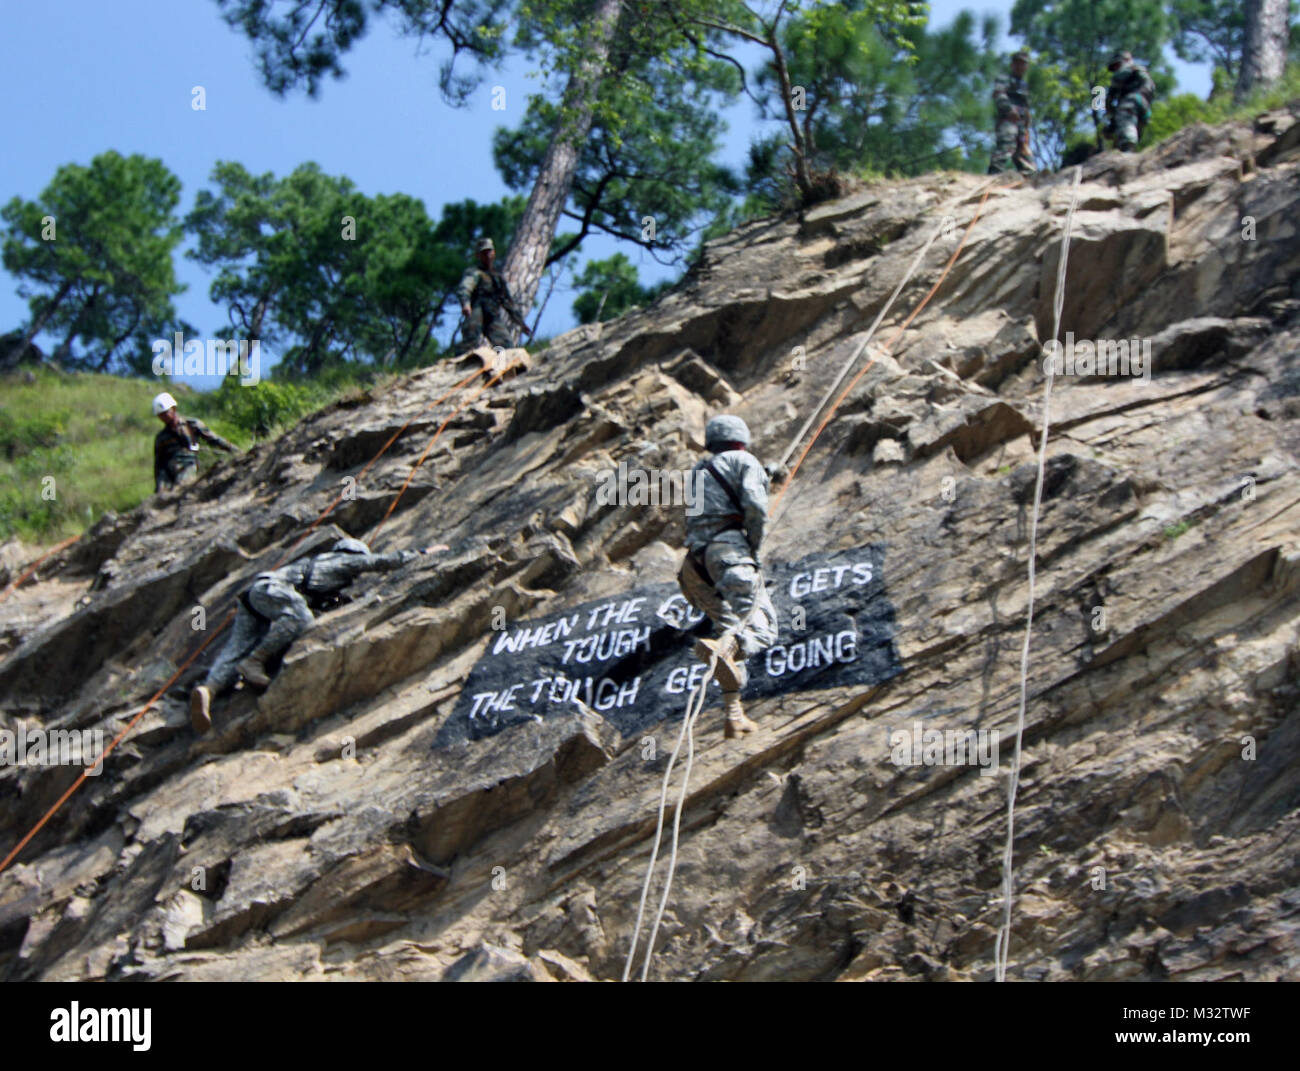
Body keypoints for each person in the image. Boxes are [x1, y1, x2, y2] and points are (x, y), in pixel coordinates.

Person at [189, 537, 448, 732]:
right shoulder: (343, 560)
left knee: (238, 646)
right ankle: (255, 660)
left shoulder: (314, 565)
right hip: (276, 590)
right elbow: (379, 562)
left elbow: (325, 597)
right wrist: (422, 553)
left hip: (255, 593)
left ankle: (209, 690)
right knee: (300, 616)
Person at [677, 415, 779, 739]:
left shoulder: (698, 471)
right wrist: (754, 547)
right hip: (728, 555)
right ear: (742, 437)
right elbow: (756, 508)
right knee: (760, 626)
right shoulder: (744, 460)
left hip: (693, 567)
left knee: (729, 630)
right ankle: (725, 651)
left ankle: (734, 714)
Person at [456, 237, 532, 354]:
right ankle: (461, 366)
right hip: (477, 309)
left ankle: (505, 367)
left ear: (494, 253)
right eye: (483, 253)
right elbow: (465, 287)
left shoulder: (497, 278)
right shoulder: (475, 272)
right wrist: (466, 304)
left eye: (489, 252)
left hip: (492, 314)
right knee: (470, 338)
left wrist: (521, 323)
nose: (487, 255)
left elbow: (507, 302)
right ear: (478, 256)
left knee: (506, 344)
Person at [152, 391, 236, 493]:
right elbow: (159, 463)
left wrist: (235, 450)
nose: (163, 417)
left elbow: (214, 439)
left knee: (181, 488)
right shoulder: (161, 437)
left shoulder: (192, 425)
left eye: (165, 413)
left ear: (173, 409)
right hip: (169, 470)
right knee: (161, 494)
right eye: (160, 415)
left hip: (188, 464)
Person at [988, 51, 1035, 175]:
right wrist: (1009, 110)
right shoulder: (1004, 79)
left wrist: (1027, 122)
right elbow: (999, 95)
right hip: (1008, 121)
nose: (1020, 66)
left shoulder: (1024, 85)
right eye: (1017, 63)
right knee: (1005, 148)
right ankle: (993, 176)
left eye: (1023, 64)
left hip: (1021, 123)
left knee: (1024, 154)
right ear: (1012, 65)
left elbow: (1026, 105)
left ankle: (1028, 179)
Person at [1105, 50, 1156, 153]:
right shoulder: (1141, 72)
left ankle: (1127, 150)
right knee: (1133, 129)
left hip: (1131, 101)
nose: (1116, 69)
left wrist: (1110, 110)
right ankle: (1127, 149)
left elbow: (1109, 98)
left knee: (1126, 123)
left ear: (1127, 60)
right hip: (1144, 105)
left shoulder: (1127, 71)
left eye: (1117, 65)